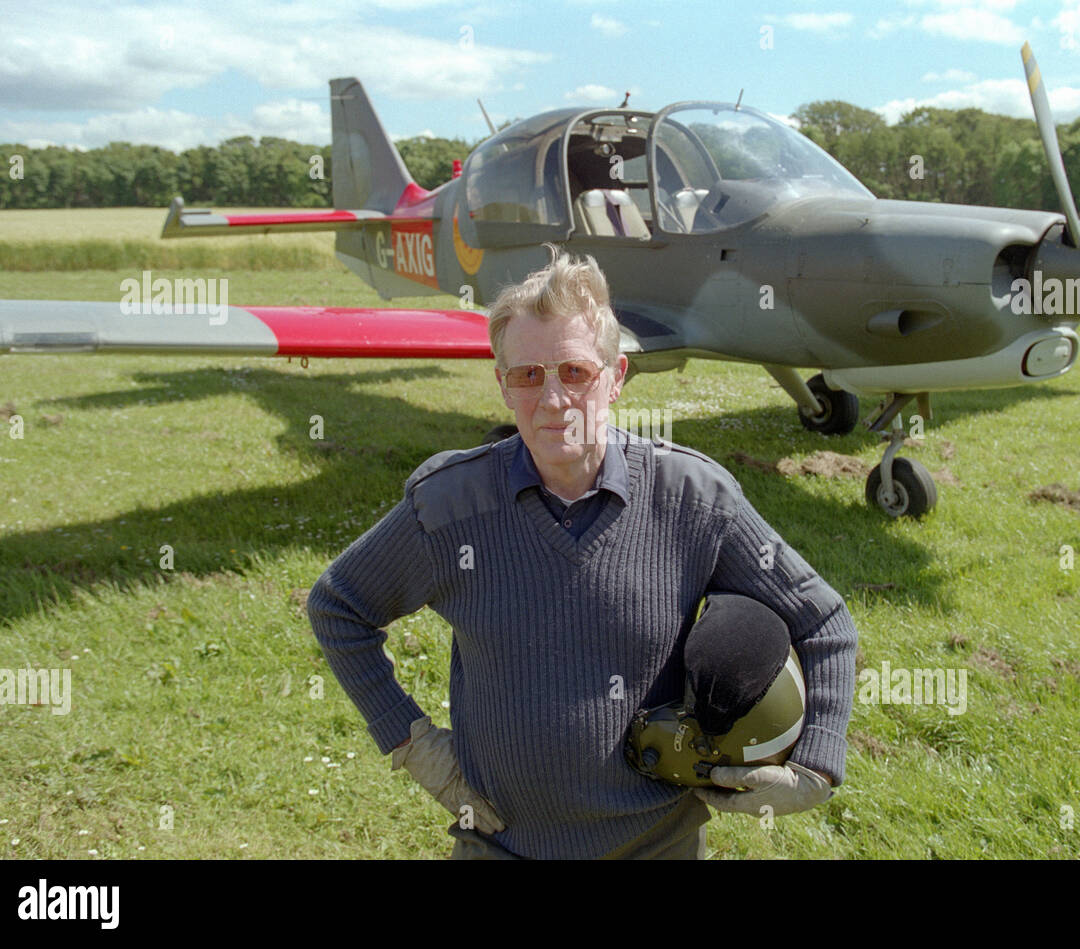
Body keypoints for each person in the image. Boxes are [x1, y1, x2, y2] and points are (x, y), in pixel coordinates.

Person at [306, 246, 858, 859]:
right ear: (502, 384)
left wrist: (816, 765)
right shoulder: (449, 505)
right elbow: (339, 607)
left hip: (658, 845)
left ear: (617, 376)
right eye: (528, 375)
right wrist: (415, 747)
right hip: (501, 845)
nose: (553, 400)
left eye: (575, 372)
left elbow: (824, 620)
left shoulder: (693, 499)